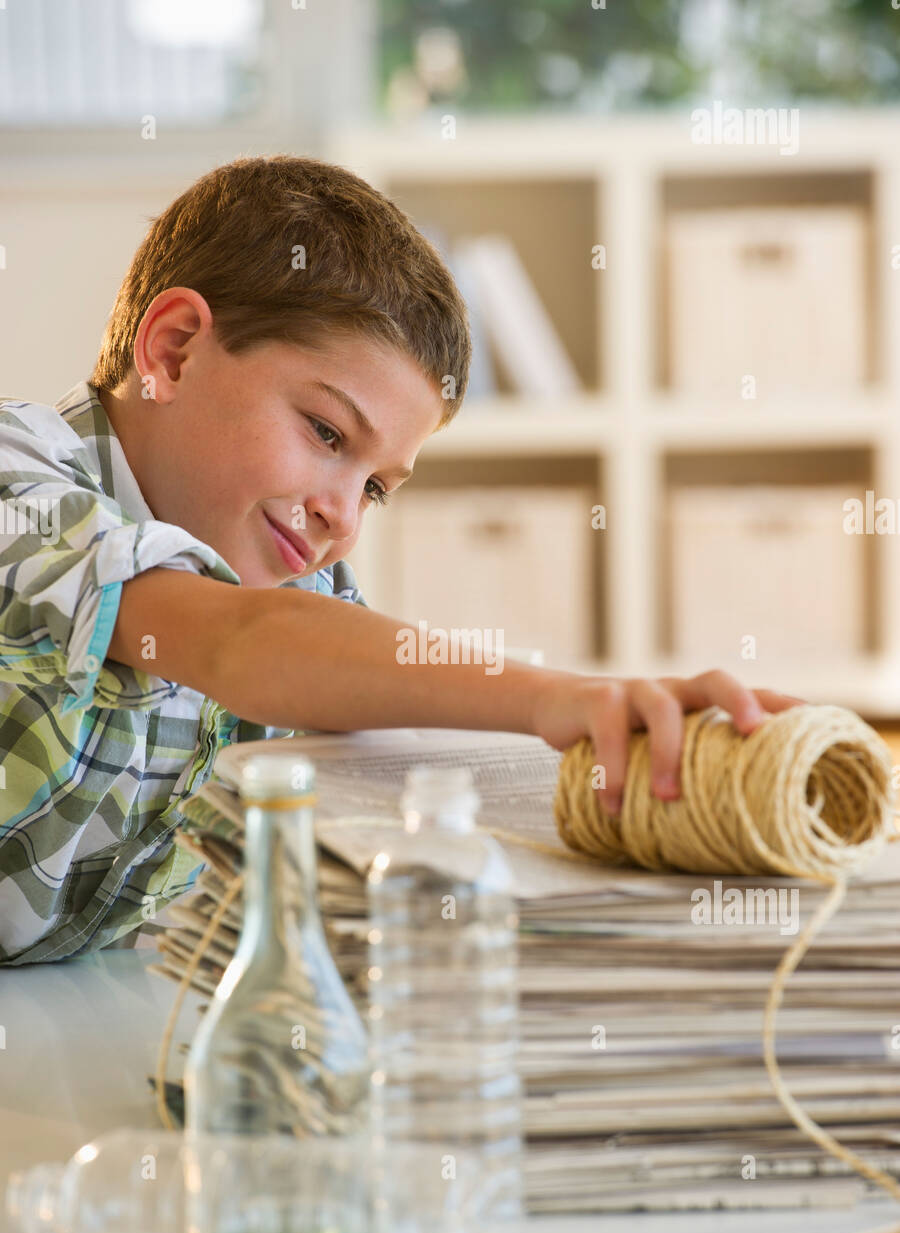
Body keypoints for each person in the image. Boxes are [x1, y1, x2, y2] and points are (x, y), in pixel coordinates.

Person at [0, 155, 803, 965]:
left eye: (377, 488)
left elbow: (369, 727)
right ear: (172, 352)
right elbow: (238, 643)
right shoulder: (19, 480)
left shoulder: (292, 577)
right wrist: (563, 696)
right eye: (325, 433)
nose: (340, 518)